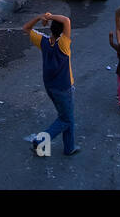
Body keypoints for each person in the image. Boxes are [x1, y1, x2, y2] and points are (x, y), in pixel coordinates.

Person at [22, 11, 79, 157]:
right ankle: (41, 140)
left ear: (51, 29)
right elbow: (66, 19)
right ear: (63, 32)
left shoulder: (44, 41)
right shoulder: (64, 44)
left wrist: (39, 17)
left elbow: (26, 28)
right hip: (64, 87)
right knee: (66, 119)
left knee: (67, 116)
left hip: (50, 86)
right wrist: (50, 16)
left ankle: (69, 147)